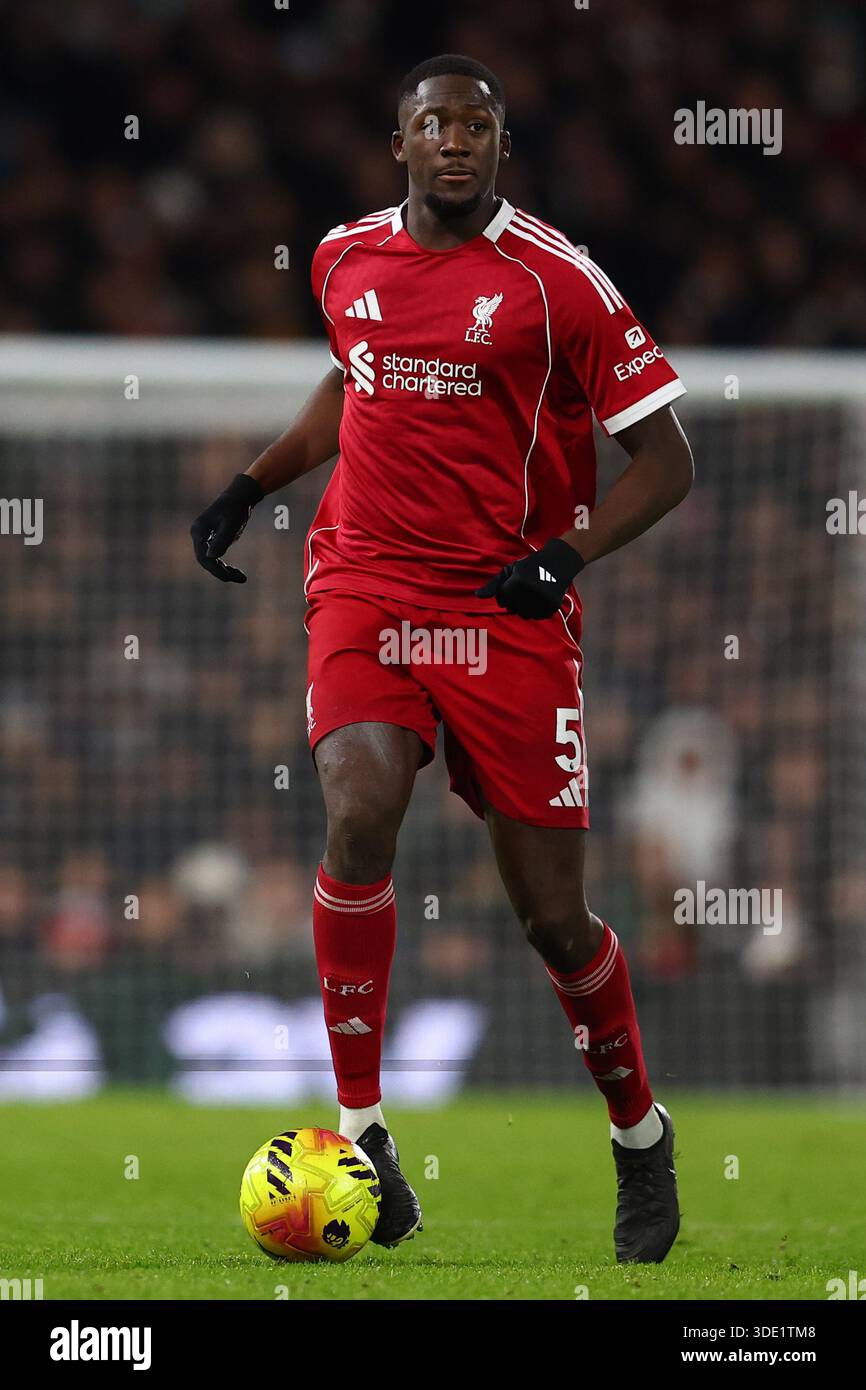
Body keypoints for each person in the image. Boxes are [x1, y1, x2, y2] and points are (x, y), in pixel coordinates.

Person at [192, 54, 694, 1262]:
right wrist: (255, 480)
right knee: (359, 809)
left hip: (508, 611)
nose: (454, 141)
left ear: (500, 148)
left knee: (553, 919)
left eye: (476, 125)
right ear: (401, 143)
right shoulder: (343, 256)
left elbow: (666, 460)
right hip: (363, 582)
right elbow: (351, 381)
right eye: (434, 123)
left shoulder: (556, 284)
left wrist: (564, 558)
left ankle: (638, 1137)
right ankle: (364, 1133)